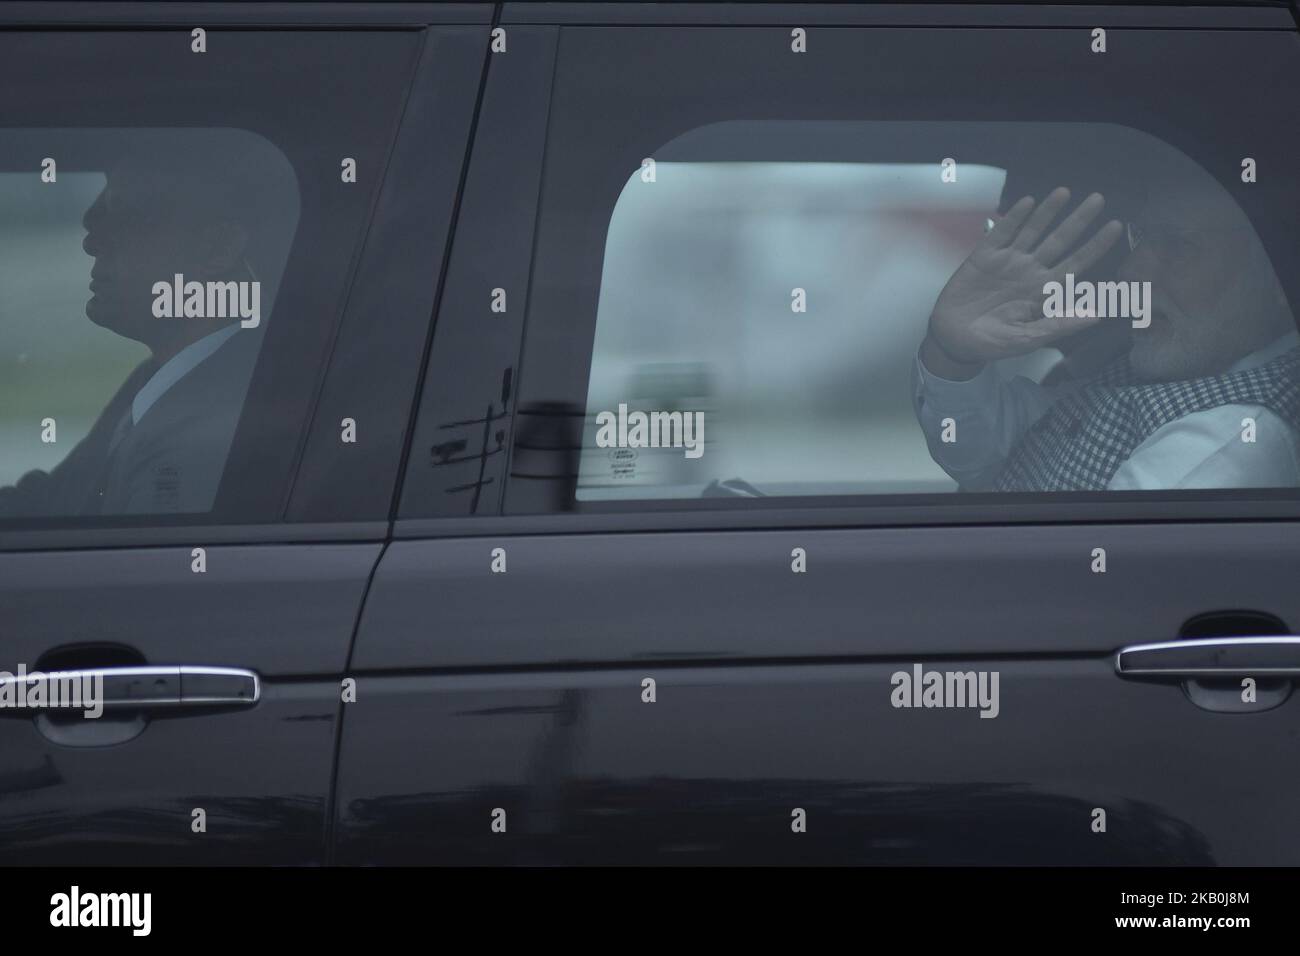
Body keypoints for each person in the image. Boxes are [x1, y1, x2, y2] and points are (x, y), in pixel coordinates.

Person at [913, 176, 1300, 491]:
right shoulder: (1156, 364)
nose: (1129, 272)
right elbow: (981, 454)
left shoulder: (1228, 441)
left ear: (1279, 277)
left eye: (1179, 245)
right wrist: (952, 354)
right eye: (1141, 237)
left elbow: (1084, 574)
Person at [0, 144, 278, 517]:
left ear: (219, 249)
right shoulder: (160, 381)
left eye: (124, 211)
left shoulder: (205, 436)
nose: (90, 239)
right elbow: (50, 504)